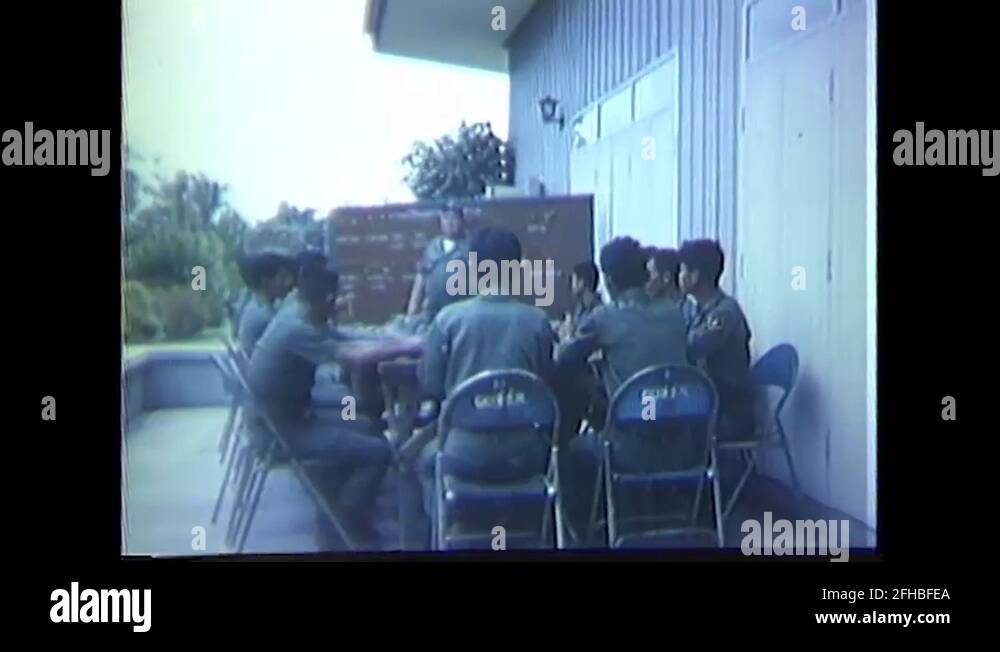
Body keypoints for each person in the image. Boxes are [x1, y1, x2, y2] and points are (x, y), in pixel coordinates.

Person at [246, 262, 421, 550]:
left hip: (283, 420)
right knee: (379, 451)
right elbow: (355, 358)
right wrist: (409, 346)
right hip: (281, 433)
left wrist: (389, 338)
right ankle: (344, 526)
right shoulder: (297, 329)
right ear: (328, 301)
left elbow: (344, 338)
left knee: (366, 424)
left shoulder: (295, 312)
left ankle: (344, 512)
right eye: (336, 301)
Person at [406, 226, 557, 547]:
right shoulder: (537, 321)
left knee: (416, 460)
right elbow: (545, 389)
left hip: (463, 453)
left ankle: (441, 537)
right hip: (526, 454)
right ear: (516, 269)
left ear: (475, 269)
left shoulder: (448, 320)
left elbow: (430, 386)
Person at [554, 236, 689, 545]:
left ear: (610, 279)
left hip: (630, 448)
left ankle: (593, 533)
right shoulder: (676, 313)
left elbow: (564, 359)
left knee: (567, 455)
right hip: (686, 443)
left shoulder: (605, 318)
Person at [677, 239, 754, 441]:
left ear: (695, 276)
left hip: (727, 409)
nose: (680, 276)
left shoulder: (724, 313)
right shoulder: (698, 309)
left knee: (660, 412)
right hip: (708, 398)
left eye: (683, 271)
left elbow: (690, 349)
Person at [405, 204, 470, 319]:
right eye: (445, 218)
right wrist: (413, 306)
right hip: (432, 311)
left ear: (461, 220)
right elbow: (421, 276)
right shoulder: (432, 247)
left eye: (454, 218)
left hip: (459, 311)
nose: (449, 223)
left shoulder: (470, 246)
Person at [235, 252, 297, 357]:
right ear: (265, 280)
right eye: (282, 277)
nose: (289, 282)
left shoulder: (256, 305)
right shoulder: (264, 317)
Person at [558, 261, 603, 340]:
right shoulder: (580, 307)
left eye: (573, 280)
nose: (571, 284)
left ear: (581, 283)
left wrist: (570, 334)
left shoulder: (598, 311)